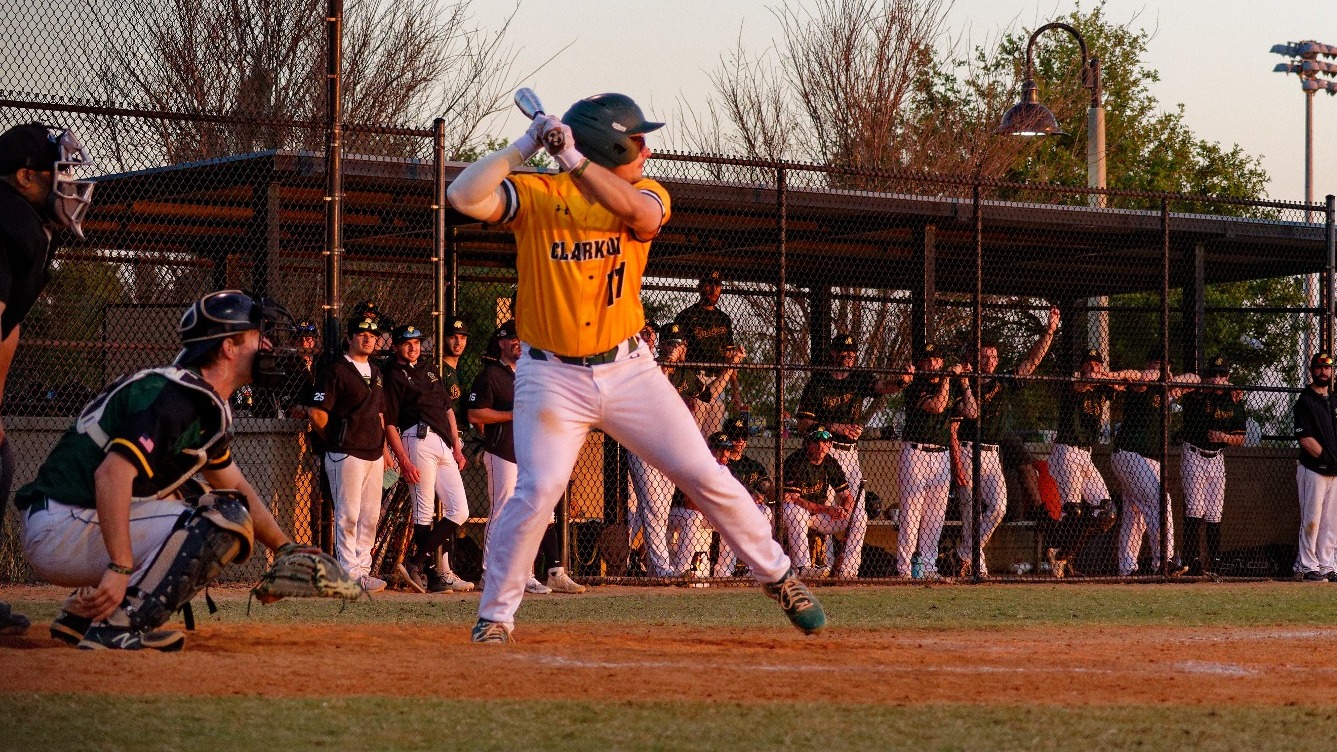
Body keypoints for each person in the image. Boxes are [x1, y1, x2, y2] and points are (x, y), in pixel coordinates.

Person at [447, 92, 823, 642]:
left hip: (629, 369)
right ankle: (496, 616)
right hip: (551, 376)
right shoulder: (539, 194)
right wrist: (528, 143)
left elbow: (640, 215)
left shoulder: (646, 193)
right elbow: (462, 195)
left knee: (701, 471)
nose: (646, 148)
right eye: (636, 139)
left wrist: (573, 160)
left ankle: (779, 575)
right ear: (611, 144)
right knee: (538, 490)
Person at [14, 290, 303, 650]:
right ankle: (117, 625)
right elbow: (111, 475)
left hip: (68, 517)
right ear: (229, 346)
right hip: (62, 524)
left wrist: (289, 549)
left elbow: (237, 484)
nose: (270, 345)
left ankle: (84, 615)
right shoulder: (178, 397)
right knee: (221, 519)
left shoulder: (194, 396)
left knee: (200, 497)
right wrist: (120, 567)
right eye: (260, 336)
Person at [0, 122, 96, 635]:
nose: (70, 183)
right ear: (22, 177)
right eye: (56, 173)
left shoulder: (30, 228)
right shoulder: (7, 219)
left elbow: (6, 329)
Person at [467, 321, 585, 595]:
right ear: (501, 343)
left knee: (530, 514)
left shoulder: (532, 374)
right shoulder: (491, 375)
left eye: (523, 338)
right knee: (502, 512)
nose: (518, 343)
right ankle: (489, 573)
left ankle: (525, 574)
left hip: (531, 455)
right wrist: (510, 416)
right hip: (503, 452)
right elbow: (475, 414)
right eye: (513, 339)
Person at [952, 308, 1060, 578]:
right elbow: (962, 419)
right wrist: (965, 382)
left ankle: (964, 553)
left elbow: (1030, 363)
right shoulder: (962, 383)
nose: (989, 361)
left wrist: (1049, 331)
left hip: (991, 454)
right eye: (984, 357)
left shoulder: (1002, 381)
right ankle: (977, 565)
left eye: (993, 357)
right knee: (969, 513)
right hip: (967, 449)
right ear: (974, 359)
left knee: (999, 506)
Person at [794, 332, 903, 576]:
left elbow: (883, 387)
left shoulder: (858, 379)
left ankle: (848, 569)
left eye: (852, 354)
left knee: (857, 513)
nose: (848, 357)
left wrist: (901, 382)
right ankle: (823, 563)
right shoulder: (818, 382)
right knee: (824, 507)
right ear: (833, 354)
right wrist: (835, 427)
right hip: (824, 450)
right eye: (843, 353)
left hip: (850, 454)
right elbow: (802, 423)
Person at [382, 324, 474, 593]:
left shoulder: (431, 368)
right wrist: (403, 460)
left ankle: (415, 562)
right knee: (423, 511)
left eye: (417, 342)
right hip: (416, 439)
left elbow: (448, 408)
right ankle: (435, 576)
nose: (413, 347)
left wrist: (456, 446)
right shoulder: (393, 375)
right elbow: (389, 423)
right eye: (407, 343)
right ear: (396, 346)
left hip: (445, 443)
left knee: (460, 510)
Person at [307, 312, 388, 592]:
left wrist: (384, 448)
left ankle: (363, 570)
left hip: (373, 453)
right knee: (348, 514)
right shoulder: (337, 369)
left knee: (369, 515)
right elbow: (316, 412)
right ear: (349, 337)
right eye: (362, 334)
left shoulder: (377, 373)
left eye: (373, 335)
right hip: (346, 452)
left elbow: (379, 413)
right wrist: (336, 439)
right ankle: (348, 572)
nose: (368, 339)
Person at [1044, 348, 1142, 577]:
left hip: (1086, 456)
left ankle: (1061, 552)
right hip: (1066, 451)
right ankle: (1060, 553)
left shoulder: (1102, 388)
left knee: (1106, 513)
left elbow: (1134, 377)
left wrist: (1110, 377)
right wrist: (1091, 378)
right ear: (1082, 368)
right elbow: (1080, 385)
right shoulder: (1075, 385)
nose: (1094, 368)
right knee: (1074, 510)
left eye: (1097, 364)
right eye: (1089, 364)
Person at [1111, 352, 1199, 577]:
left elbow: (1194, 380)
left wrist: (1169, 380)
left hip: (1149, 461)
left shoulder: (1167, 389)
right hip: (1130, 454)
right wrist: (1155, 374)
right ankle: (1164, 560)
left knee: (1135, 515)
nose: (1163, 369)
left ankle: (1127, 567)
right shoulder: (1141, 385)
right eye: (1158, 364)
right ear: (1150, 365)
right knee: (1161, 500)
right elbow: (1136, 377)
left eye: (1167, 365)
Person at [896, 342, 969, 579]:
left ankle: (929, 566)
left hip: (941, 455)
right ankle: (905, 568)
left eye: (936, 360)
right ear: (920, 365)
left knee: (935, 515)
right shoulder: (915, 384)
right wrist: (948, 379)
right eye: (927, 361)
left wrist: (965, 382)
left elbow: (972, 413)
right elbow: (937, 407)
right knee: (911, 513)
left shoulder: (951, 385)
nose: (932, 364)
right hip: (915, 453)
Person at [1178, 354, 1246, 576]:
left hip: (1217, 458)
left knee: (1215, 513)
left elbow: (1240, 438)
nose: (1218, 378)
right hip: (1194, 453)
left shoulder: (1234, 400)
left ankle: (1215, 561)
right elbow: (1186, 386)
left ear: (1228, 375)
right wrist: (1206, 383)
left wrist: (1224, 437)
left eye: (1222, 374)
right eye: (1213, 374)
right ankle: (1192, 561)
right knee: (1195, 509)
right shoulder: (1198, 393)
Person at [624, 320, 678, 578]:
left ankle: (655, 567)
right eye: (642, 331)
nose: (648, 335)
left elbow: (706, 395)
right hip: (642, 441)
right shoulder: (630, 363)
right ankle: (662, 568)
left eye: (651, 332)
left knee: (661, 510)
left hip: (668, 444)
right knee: (653, 506)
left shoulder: (669, 367)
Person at [782, 426, 866, 579]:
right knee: (798, 512)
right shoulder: (796, 460)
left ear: (830, 444)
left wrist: (844, 509)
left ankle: (847, 570)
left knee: (859, 516)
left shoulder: (830, 462)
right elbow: (794, 499)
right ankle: (803, 567)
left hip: (818, 516)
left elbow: (847, 496)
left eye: (825, 442)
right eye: (817, 442)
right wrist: (829, 510)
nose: (821, 446)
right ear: (808, 444)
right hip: (793, 514)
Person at [674, 270, 741, 434]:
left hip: (719, 380)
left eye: (717, 285)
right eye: (709, 284)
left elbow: (729, 356)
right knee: (692, 435)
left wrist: (735, 391)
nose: (713, 289)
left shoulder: (724, 319)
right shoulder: (686, 316)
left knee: (713, 437)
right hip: (696, 379)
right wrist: (686, 386)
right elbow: (679, 354)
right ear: (699, 287)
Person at [1292, 351, 1337, 581]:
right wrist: (1328, 458)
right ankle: (1308, 565)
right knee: (1312, 519)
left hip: (1334, 473)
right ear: (1312, 371)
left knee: (1331, 522)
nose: (1323, 372)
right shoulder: (1305, 401)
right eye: (1319, 368)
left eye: (1327, 368)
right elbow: (1305, 438)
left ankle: (1327, 566)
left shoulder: (1333, 400)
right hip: (1313, 469)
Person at [713, 415, 775, 578]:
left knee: (765, 511)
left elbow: (768, 488)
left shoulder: (752, 465)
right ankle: (724, 571)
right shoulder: (721, 463)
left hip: (748, 510)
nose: (740, 440)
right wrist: (749, 497)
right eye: (735, 436)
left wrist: (770, 495)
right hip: (726, 509)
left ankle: (755, 566)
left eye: (744, 436)